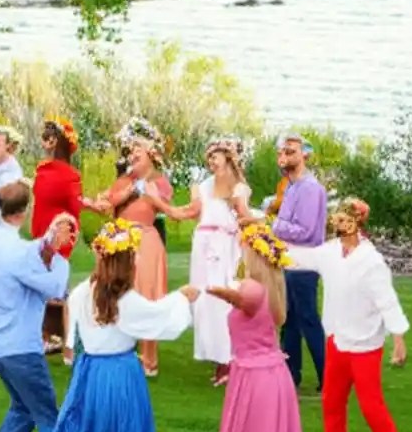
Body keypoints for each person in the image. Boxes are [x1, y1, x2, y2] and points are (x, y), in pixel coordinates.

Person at [41, 219, 200, 432]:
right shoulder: (125, 300)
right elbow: (158, 318)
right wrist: (182, 297)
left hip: (88, 372)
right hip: (119, 375)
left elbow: (74, 332)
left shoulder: (83, 291)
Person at [283, 198, 412, 432]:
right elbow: (299, 258)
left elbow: (387, 302)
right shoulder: (330, 252)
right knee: (331, 405)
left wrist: (398, 340)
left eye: (343, 219)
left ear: (357, 223)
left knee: (373, 410)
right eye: (335, 219)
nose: (336, 224)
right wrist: (266, 245)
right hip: (337, 343)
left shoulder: (372, 262)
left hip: (365, 347)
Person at [0, 181, 74, 432]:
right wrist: (59, 252)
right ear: (26, 210)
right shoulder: (18, 253)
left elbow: (28, 251)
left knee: (22, 409)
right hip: (19, 346)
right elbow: (56, 288)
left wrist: (48, 239)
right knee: (47, 415)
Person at [147, 136, 252, 386]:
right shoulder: (203, 186)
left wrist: (250, 241)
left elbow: (245, 218)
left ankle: (228, 360)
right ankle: (218, 357)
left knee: (224, 298)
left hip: (226, 247)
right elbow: (185, 212)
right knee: (205, 301)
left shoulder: (239, 188)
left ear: (227, 157)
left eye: (214, 156)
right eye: (209, 157)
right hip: (203, 246)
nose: (210, 161)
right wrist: (158, 203)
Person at [208, 223, 304, 432]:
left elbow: (238, 298)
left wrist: (211, 289)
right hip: (273, 375)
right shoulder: (274, 287)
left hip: (256, 379)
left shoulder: (251, 288)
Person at [84, 117, 173, 377]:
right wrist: (123, 193)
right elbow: (110, 203)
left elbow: (162, 203)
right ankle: (113, 344)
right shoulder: (124, 180)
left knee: (146, 295)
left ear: (151, 154)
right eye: (130, 150)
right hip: (117, 238)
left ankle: (149, 359)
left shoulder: (160, 181)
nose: (132, 154)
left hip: (145, 239)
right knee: (111, 290)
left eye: (138, 150)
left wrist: (141, 189)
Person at [266, 132, 328, 392]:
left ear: (305, 155)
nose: (284, 155)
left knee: (308, 319)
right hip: (288, 260)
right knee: (289, 318)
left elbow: (305, 230)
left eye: (291, 151)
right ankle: (291, 375)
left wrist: (274, 226)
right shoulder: (291, 187)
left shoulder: (310, 188)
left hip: (304, 262)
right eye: (282, 151)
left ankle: (329, 377)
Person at [31, 116, 84, 366]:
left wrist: (65, 238)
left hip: (58, 237)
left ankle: (69, 348)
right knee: (38, 290)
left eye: (49, 136)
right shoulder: (41, 170)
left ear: (58, 142)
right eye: (44, 136)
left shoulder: (71, 176)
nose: (45, 141)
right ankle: (42, 338)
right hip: (39, 235)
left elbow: (75, 209)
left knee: (61, 295)